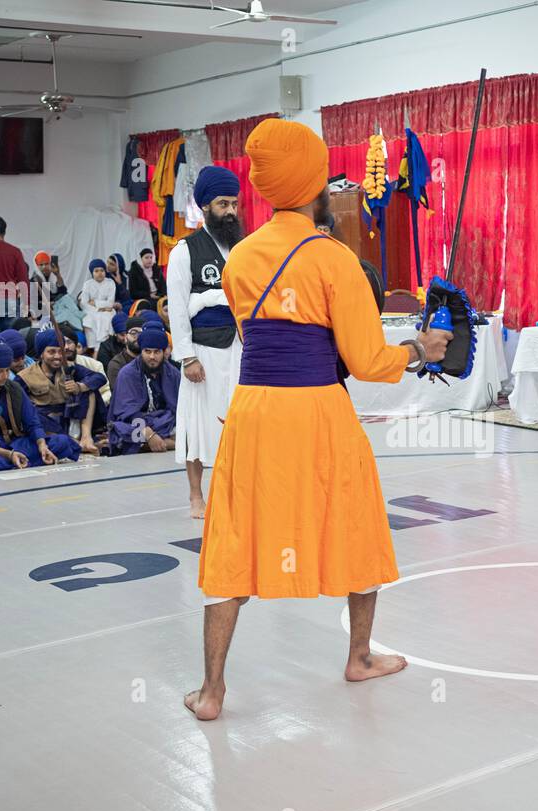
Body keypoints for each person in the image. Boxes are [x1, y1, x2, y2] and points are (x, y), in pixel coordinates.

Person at [186, 118, 451, 721]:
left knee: (234, 540)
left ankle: (211, 692)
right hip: (318, 412)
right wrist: (418, 350)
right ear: (314, 185)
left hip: (253, 412)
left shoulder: (241, 257)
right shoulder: (336, 260)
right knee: (355, 522)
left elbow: (257, 331)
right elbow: (365, 361)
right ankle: (359, 656)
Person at [168, 165, 246, 518]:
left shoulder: (245, 247)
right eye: (222, 204)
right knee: (198, 424)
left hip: (242, 350)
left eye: (234, 203)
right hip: (203, 352)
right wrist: (187, 357)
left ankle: (236, 492)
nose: (230, 211)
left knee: (239, 423)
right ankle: (196, 496)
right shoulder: (185, 251)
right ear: (204, 207)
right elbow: (179, 309)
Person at [0, 339, 78, 474]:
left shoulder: (15, 388)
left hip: (16, 443)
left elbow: (32, 422)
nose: (5, 376)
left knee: (62, 442)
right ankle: (18, 461)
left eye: (7, 370)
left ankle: (17, 462)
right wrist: (9, 455)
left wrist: (42, 446)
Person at [18, 328, 104, 455]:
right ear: (41, 353)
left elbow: (99, 378)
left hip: (68, 417)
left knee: (89, 390)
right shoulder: (25, 376)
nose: (57, 356)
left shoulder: (70, 368)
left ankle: (86, 438)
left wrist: (79, 386)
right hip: (45, 423)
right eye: (51, 352)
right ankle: (75, 443)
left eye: (60, 351)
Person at [108, 324, 179, 455]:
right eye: (147, 351)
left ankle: (160, 443)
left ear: (164, 352)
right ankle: (171, 444)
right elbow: (126, 413)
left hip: (164, 423)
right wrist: (148, 433)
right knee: (124, 432)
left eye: (157, 352)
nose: (152, 356)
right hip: (136, 424)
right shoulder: (127, 373)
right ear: (141, 351)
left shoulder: (172, 373)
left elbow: (178, 408)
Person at [79, 259, 118, 349]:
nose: (100, 273)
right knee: (88, 320)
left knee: (107, 318)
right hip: (91, 311)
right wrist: (99, 308)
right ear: (92, 273)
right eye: (96, 271)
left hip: (108, 311)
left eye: (102, 270)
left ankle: (106, 346)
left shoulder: (110, 283)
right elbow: (84, 303)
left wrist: (95, 302)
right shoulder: (87, 284)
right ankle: (93, 348)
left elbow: (110, 303)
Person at [105, 312, 144, 385]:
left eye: (141, 333)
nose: (138, 336)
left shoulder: (152, 359)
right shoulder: (117, 364)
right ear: (125, 337)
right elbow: (121, 393)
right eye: (133, 333)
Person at [32, 251, 66, 323]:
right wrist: (48, 304)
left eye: (46, 264)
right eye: (41, 265)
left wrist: (57, 274)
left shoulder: (50, 279)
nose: (44, 267)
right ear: (36, 266)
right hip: (44, 316)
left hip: (56, 311)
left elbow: (63, 293)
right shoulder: (34, 281)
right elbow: (33, 304)